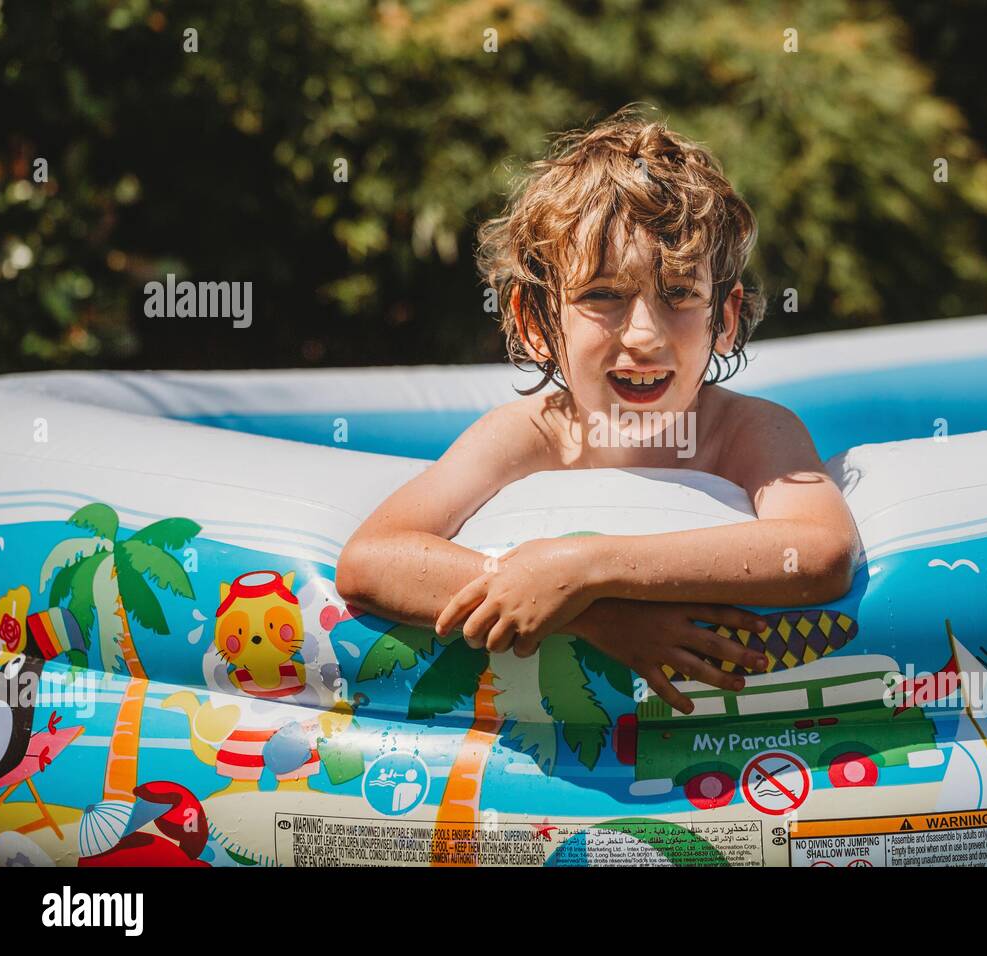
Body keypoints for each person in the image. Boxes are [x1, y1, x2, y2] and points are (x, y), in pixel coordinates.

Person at [336, 104, 860, 713]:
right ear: (535, 321)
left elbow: (821, 553)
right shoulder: (525, 438)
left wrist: (589, 567)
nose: (645, 335)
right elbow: (371, 560)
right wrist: (594, 617)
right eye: (603, 295)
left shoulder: (748, 431)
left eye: (680, 295)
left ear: (726, 319)